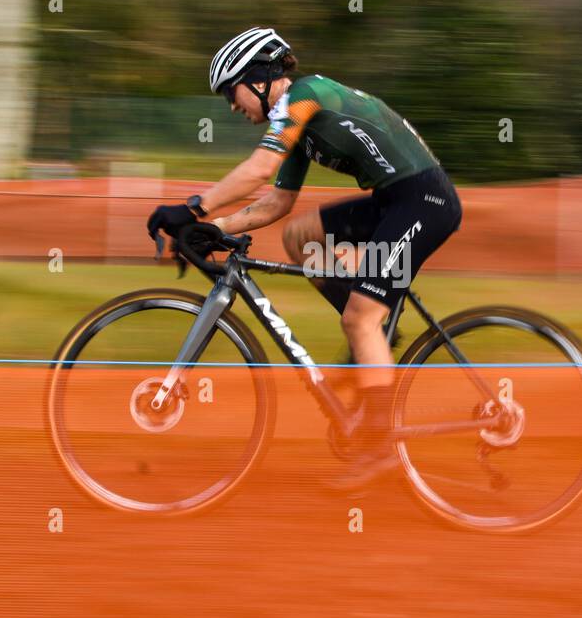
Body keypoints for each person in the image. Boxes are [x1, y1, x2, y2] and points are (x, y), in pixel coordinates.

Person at [147, 27, 463, 489]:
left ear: (257, 78)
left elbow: (259, 169)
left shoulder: (305, 96)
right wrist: (212, 230)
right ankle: (374, 336)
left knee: (360, 319)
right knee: (302, 236)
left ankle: (377, 440)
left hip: (423, 201)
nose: (232, 107)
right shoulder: (293, 120)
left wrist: (194, 207)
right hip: (393, 199)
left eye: (231, 93)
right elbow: (276, 204)